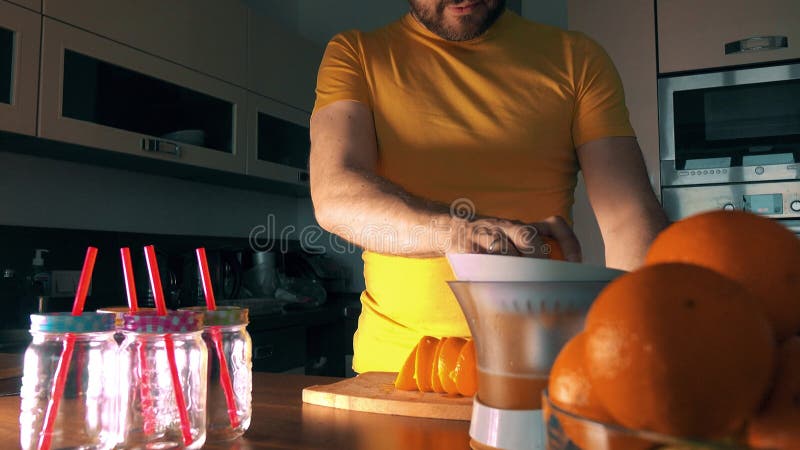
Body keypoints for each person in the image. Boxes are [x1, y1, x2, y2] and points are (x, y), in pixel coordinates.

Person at [309, 0, 668, 373]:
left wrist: (633, 346)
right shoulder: (356, 54)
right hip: (397, 374)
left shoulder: (578, 59)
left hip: (540, 369)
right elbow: (336, 194)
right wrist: (461, 233)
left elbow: (628, 216)